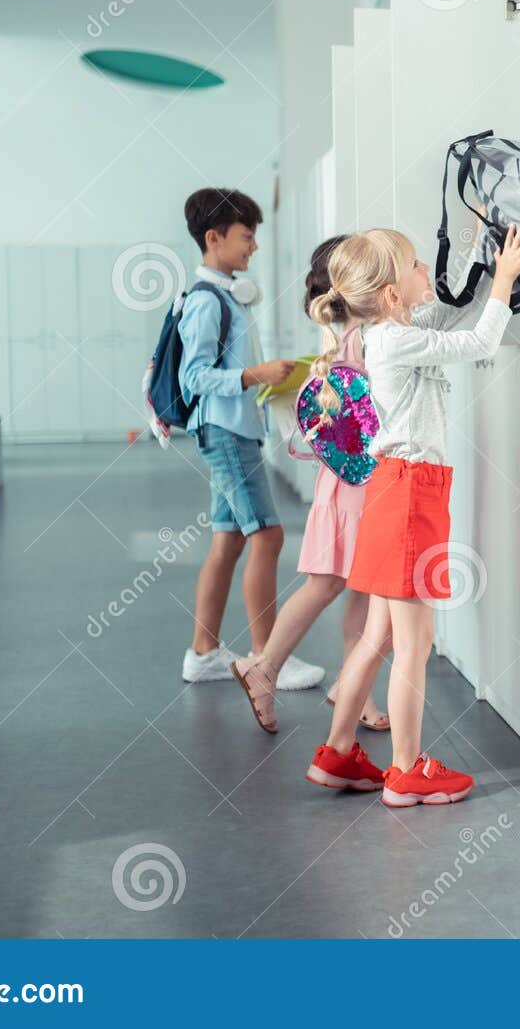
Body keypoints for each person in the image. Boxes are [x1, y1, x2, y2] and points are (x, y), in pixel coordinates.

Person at [299, 224, 520, 805]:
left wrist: (483, 267)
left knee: (379, 636)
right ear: (389, 294)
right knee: (416, 645)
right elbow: (477, 344)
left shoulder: (391, 329)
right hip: (411, 496)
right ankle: (405, 770)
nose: (422, 271)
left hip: (393, 490)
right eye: (412, 265)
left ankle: (337, 753)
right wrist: (505, 280)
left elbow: (450, 317)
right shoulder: (394, 340)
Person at [230, 236, 393, 736]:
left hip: (347, 480)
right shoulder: (368, 336)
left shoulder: (345, 332)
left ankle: (355, 692)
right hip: (359, 483)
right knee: (333, 584)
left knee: (355, 589)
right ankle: (266, 668)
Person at [175, 187, 321, 692]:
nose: (254, 246)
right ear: (213, 238)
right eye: (246, 235)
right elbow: (192, 377)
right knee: (268, 535)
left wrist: (262, 375)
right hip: (227, 432)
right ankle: (266, 658)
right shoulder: (206, 301)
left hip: (235, 429)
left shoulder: (224, 294)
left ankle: (204, 653)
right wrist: (256, 374)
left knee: (230, 539)